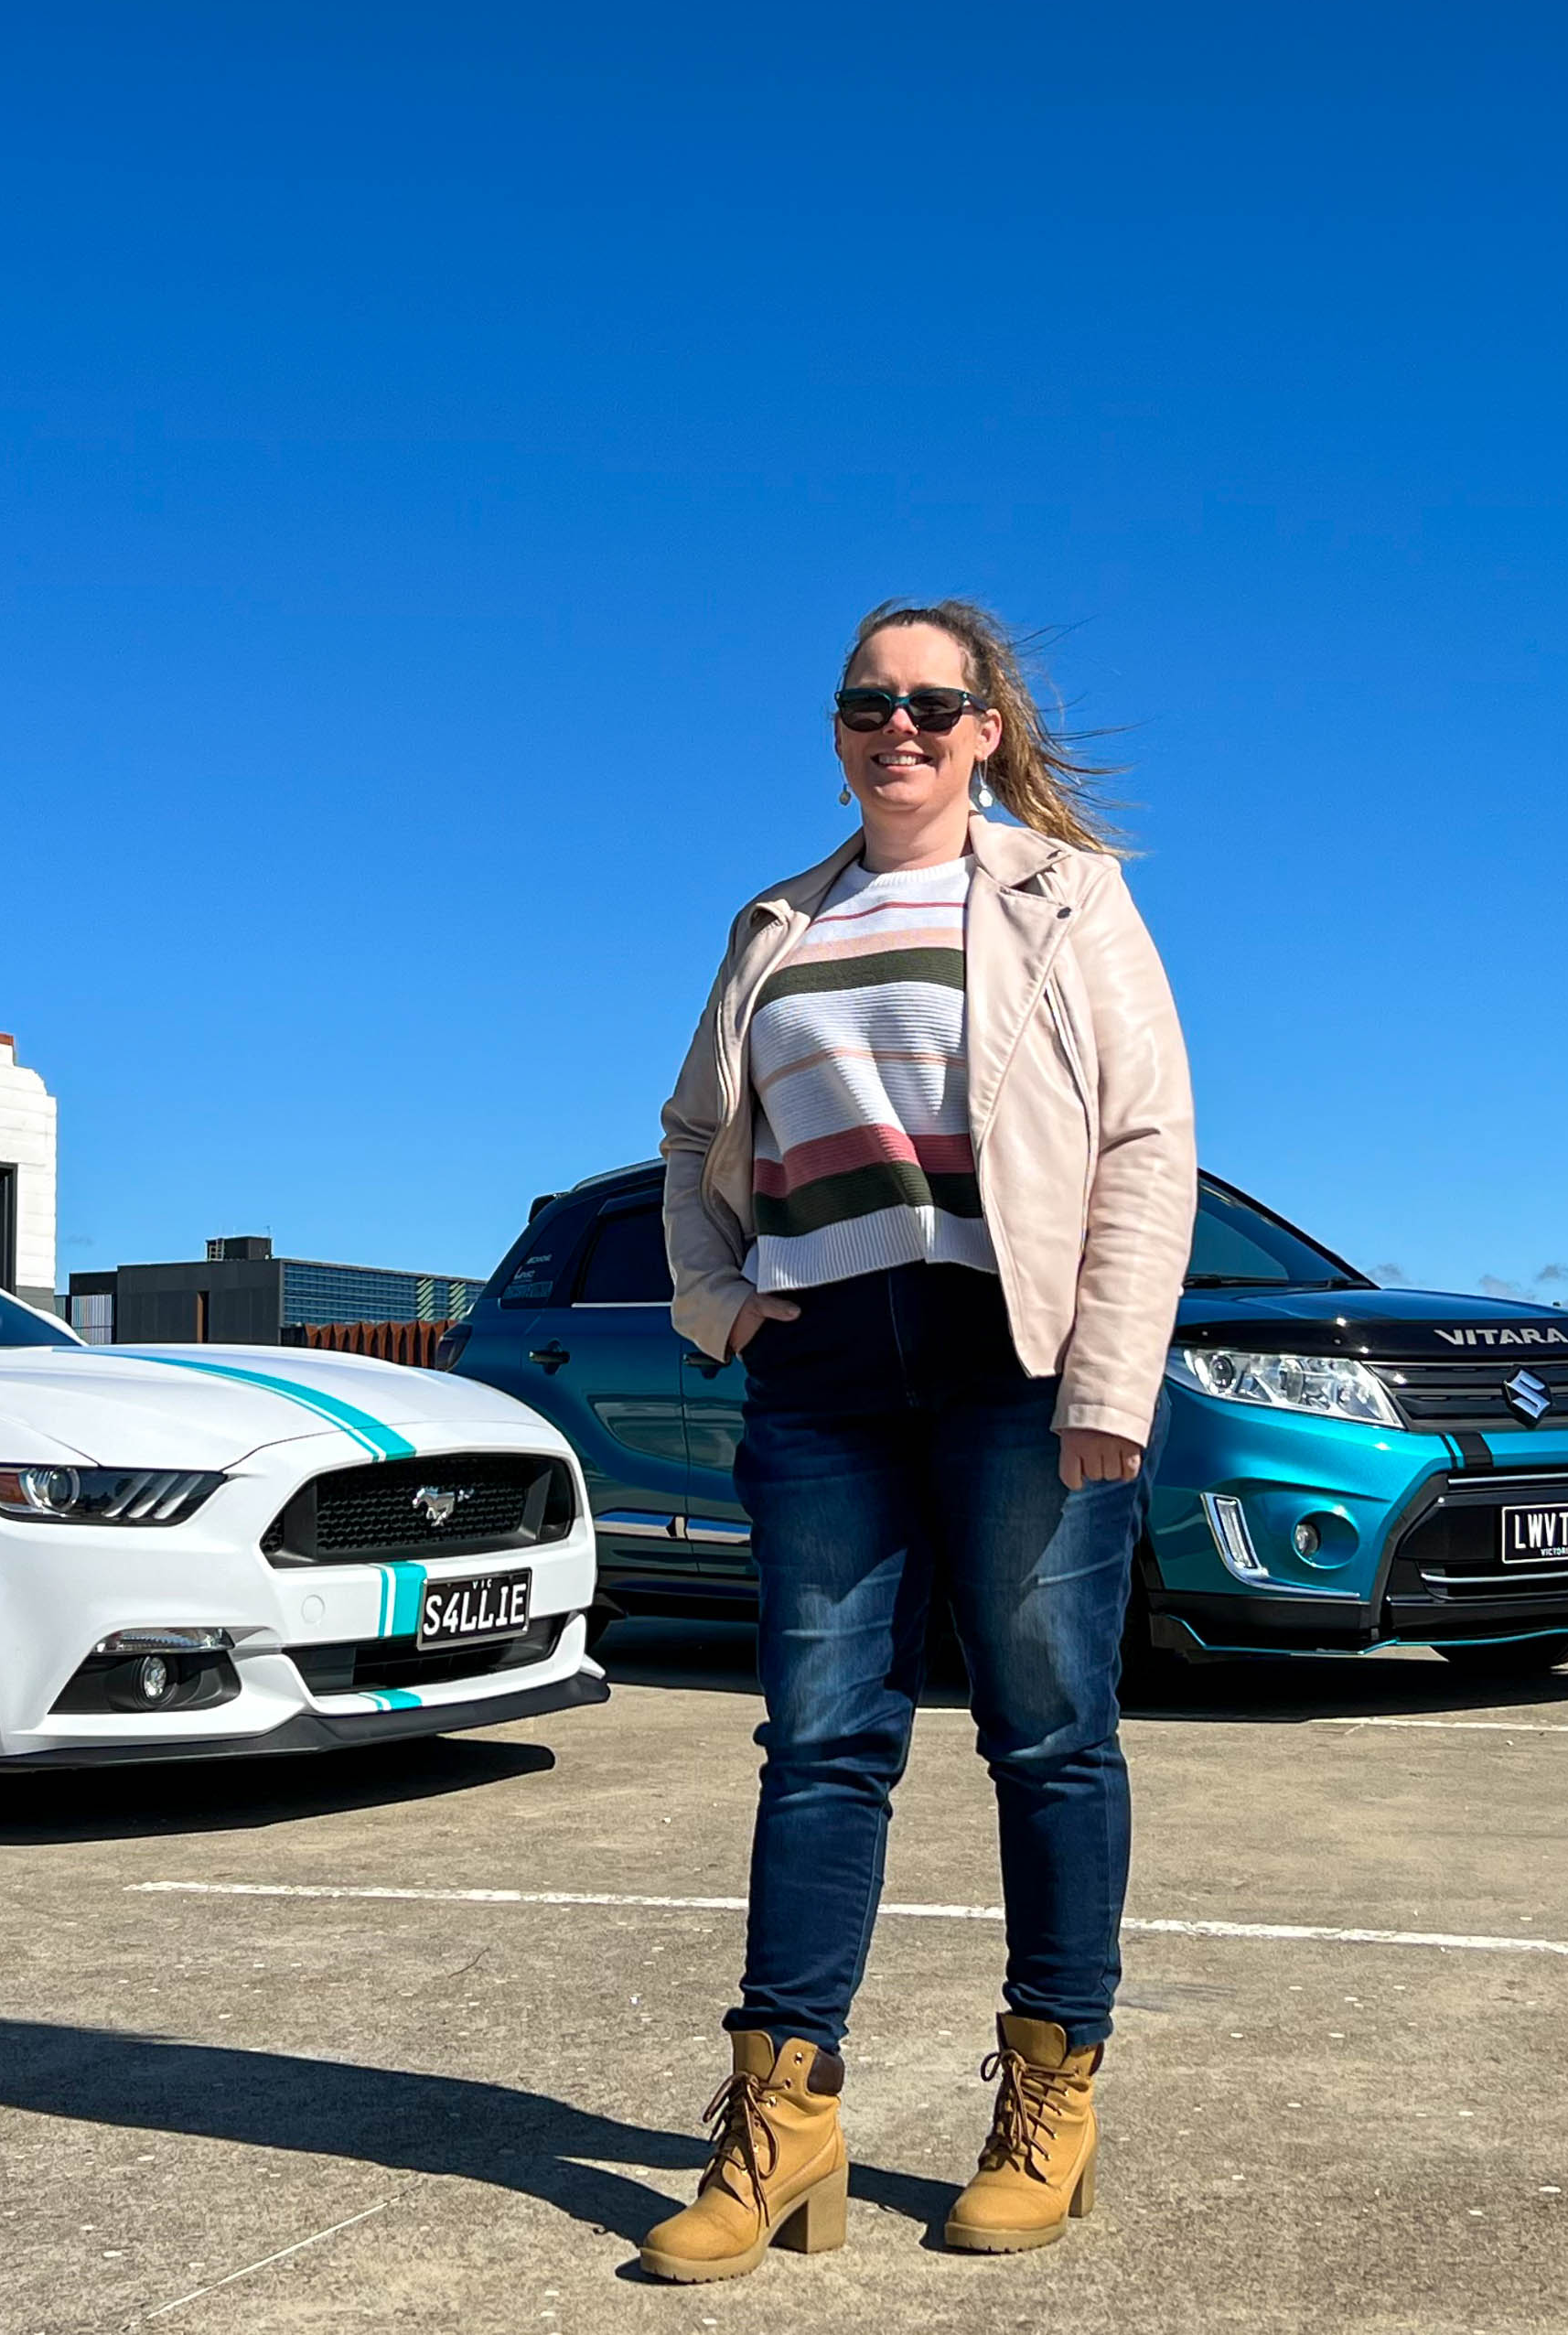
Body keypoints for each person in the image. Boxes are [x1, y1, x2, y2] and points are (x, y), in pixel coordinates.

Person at [636, 597, 1194, 2282]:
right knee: (818, 1742)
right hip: (820, 1370)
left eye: (934, 705)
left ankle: (1049, 2099)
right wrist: (716, 1303)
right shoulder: (774, 923)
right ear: (838, 728)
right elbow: (688, 1136)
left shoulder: (1065, 895)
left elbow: (1149, 1137)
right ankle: (782, 2118)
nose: (901, 727)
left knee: (1047, 1731)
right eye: (869, 701)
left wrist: (1108, 1382)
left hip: (1012, 1356)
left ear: (988, 731)